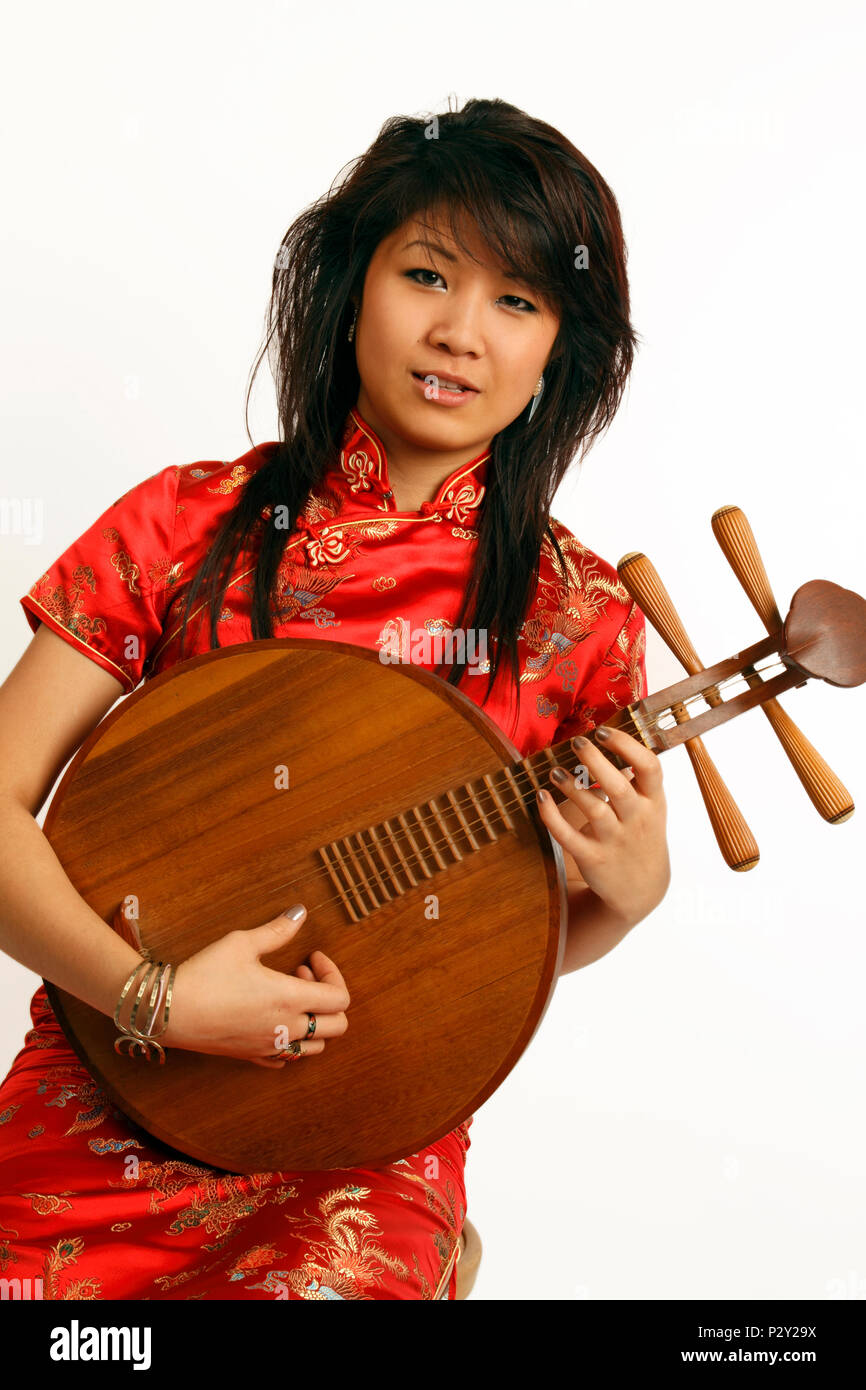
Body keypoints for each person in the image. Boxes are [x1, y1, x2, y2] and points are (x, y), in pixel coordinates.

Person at [0, 96, 670, 1300]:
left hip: (361, 1141)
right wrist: (155, 998)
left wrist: (623, 900)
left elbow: (478, 950)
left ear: (558, 349)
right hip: (106, 1082)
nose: (461, 332)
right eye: (427, 275)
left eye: (516, 301)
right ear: (351, 285)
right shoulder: (186, 523)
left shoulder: (582, 620)